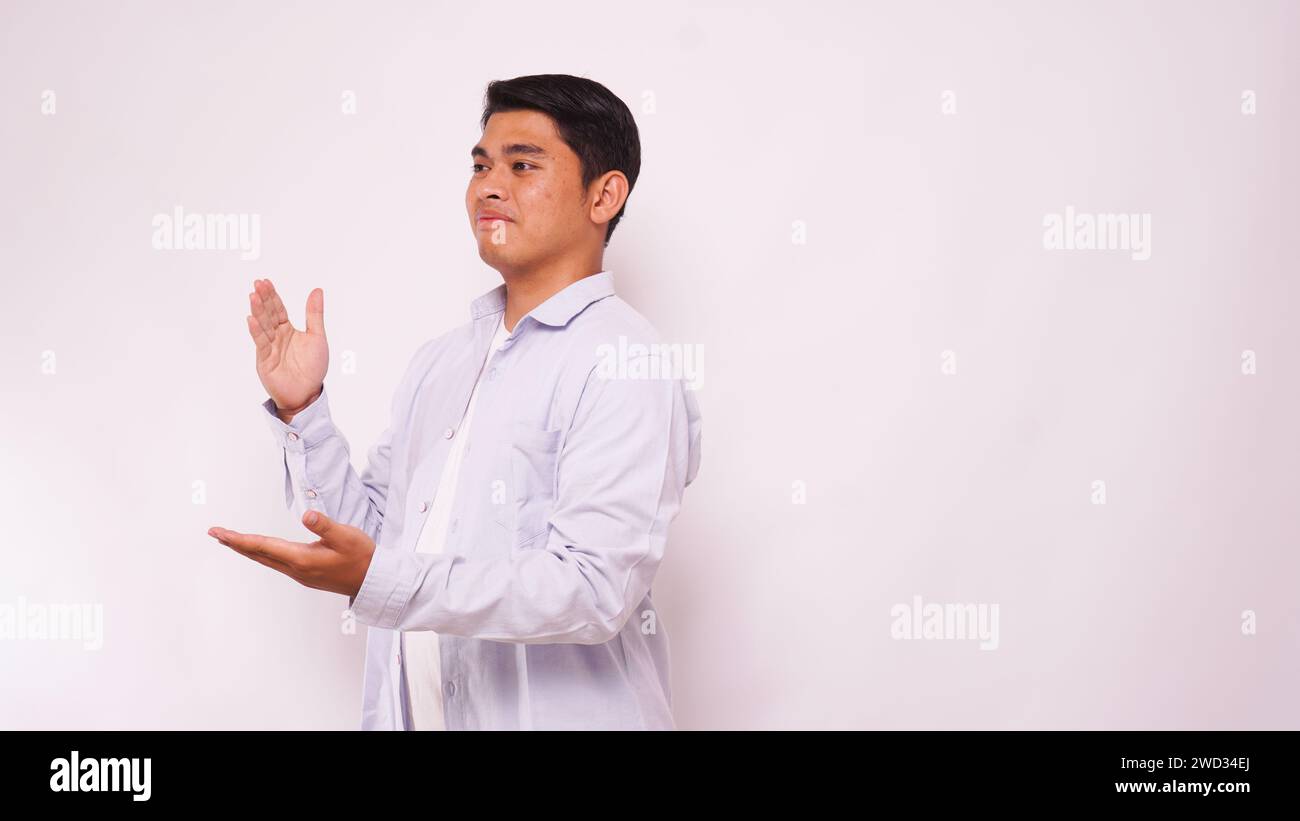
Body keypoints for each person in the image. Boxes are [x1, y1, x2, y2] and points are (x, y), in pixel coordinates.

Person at [207, 74, 702, 730]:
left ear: (604, 194)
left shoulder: (624, 361)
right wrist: (304, 411)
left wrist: (382, 580)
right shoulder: (442, 362)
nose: (489, 186)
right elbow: (375, 538)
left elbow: (593, 590)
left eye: (523, 164)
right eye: (480, 164)